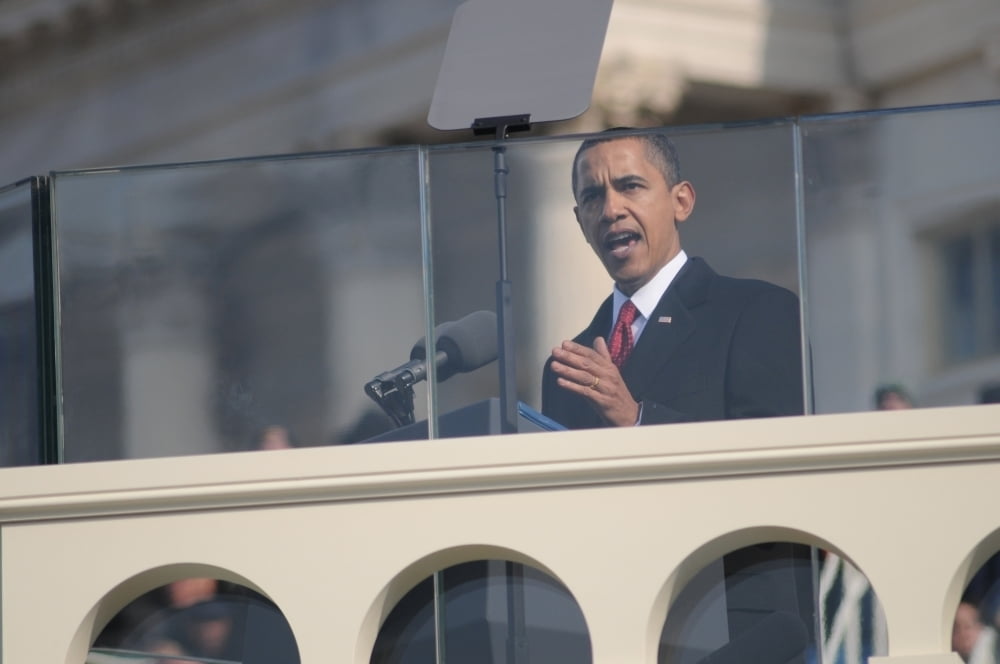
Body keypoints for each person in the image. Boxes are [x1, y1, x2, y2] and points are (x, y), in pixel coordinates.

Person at [542, 130, 804, 429]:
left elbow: (773, 459)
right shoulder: (565, 369)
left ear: (681, 202)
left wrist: (637, 418)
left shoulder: (756, 313)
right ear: (580, 222)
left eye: (630, 186)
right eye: (592, 196)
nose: (610, 210)